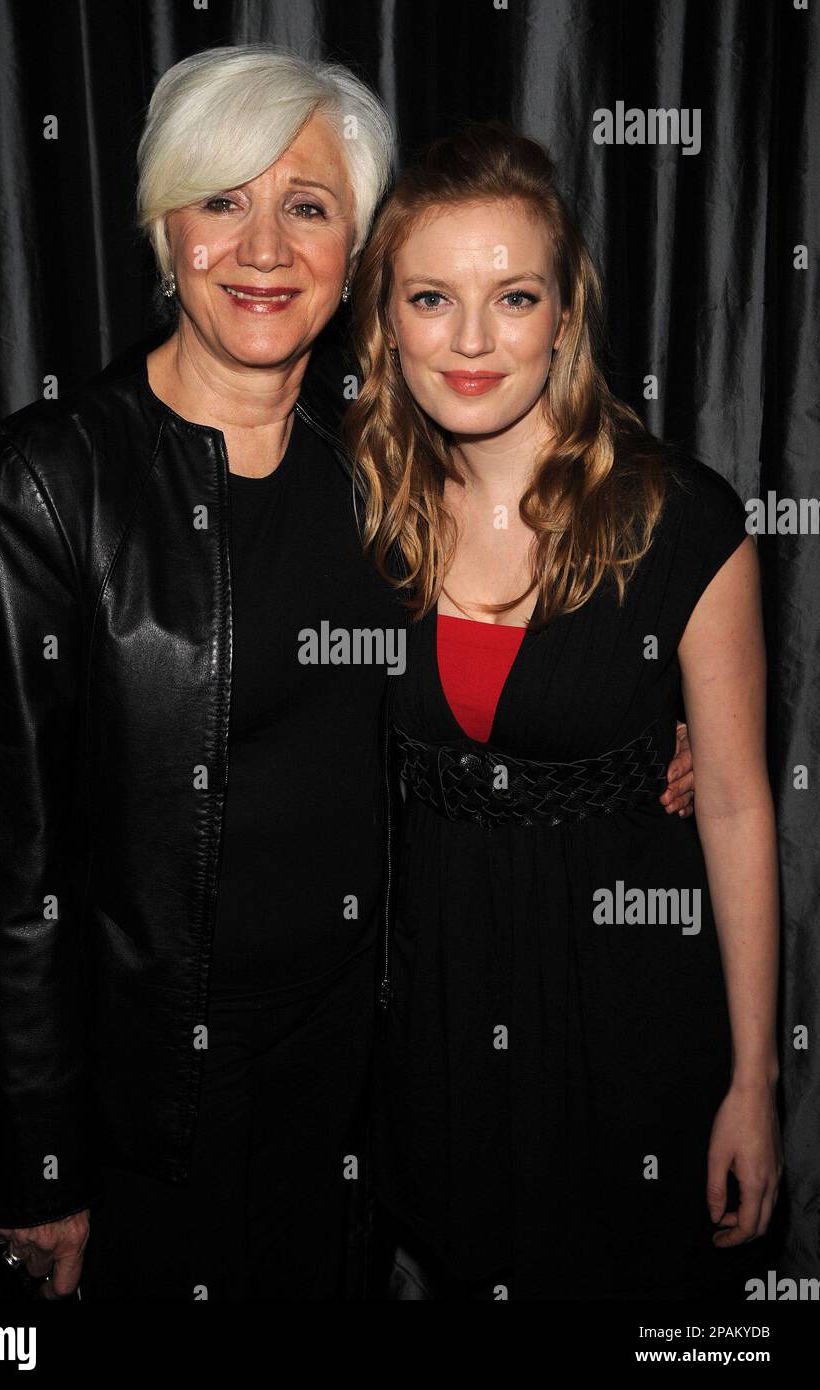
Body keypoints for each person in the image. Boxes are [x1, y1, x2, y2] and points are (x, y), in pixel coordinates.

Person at [0, 47, 694, 1302]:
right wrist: (38, 1154)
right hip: (144, 1109)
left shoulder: (386, 476)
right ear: (162, 227)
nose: (263, 248)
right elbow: (3, 859)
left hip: (355, 1089)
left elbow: (501, 672)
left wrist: (645, 745)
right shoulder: (54, 479)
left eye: (308, 204)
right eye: (220, 199)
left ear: (357, 253)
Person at [343, 122, 783, 1299]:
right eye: (432, 297)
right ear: (385, 320)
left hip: (627, 1022)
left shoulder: (679, 521)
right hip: (433, 1029)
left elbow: (737, 806)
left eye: (513, 295)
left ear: (564, 313)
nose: (473, 340)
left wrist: (753, 1079)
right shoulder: (355, 516)